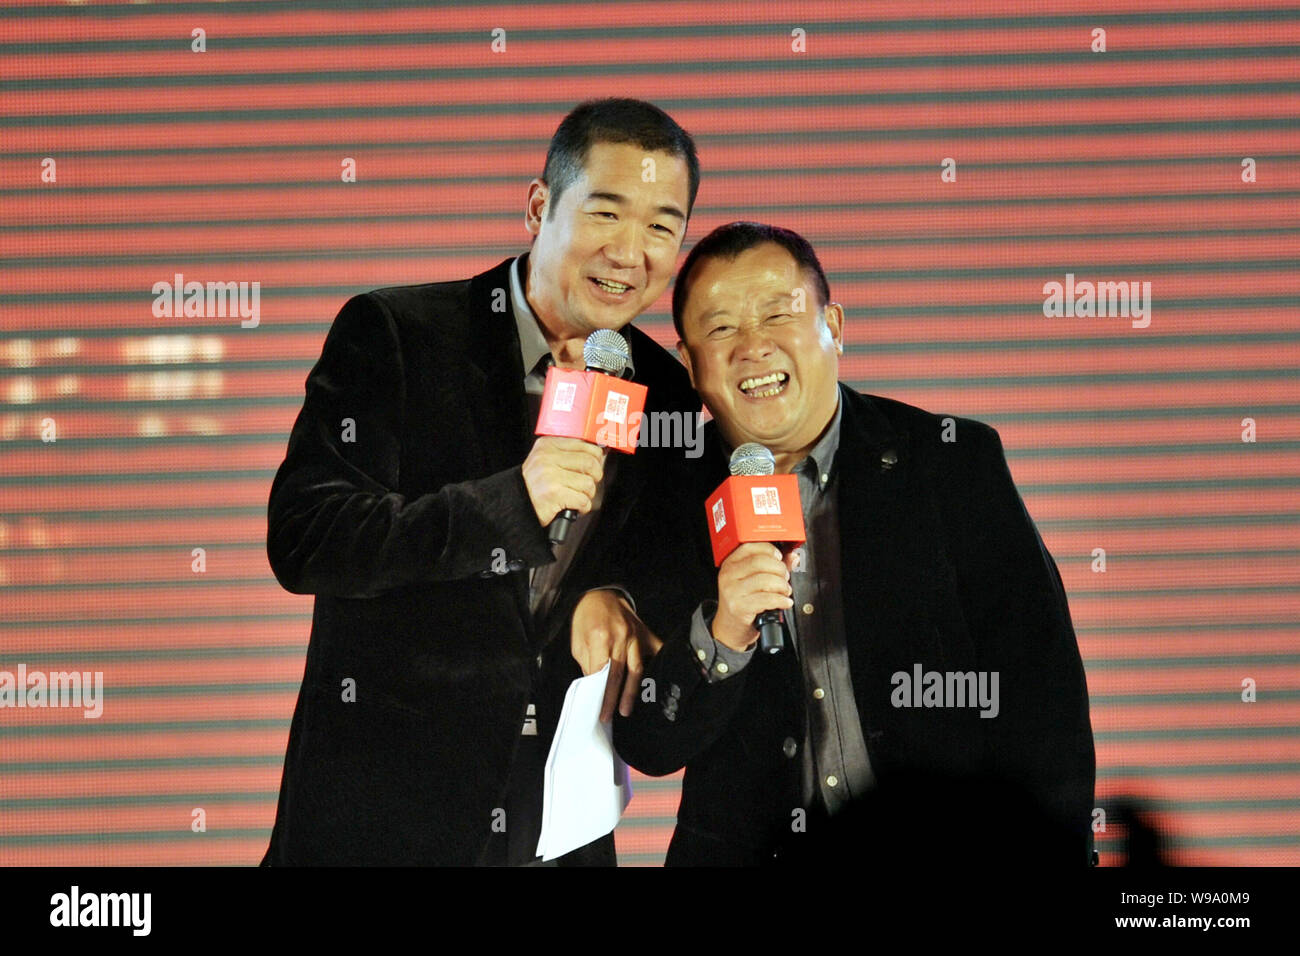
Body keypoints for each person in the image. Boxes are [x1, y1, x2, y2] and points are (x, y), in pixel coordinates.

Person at [261, 99, 700, 866]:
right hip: (372, 832)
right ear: (539, 206)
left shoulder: (665, 395)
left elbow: (670, 575)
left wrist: (624, 599)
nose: (631, 252)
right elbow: (307, 539)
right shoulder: (399, 334)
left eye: (662, 227)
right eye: (606, 213)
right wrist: (509, 504)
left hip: (553, 839)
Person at [612, 222, 1096, 867]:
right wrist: (723, 633)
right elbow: (649, 740)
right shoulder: (660, 501)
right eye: (721, 328)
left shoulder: (949, 464)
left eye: (779, 314)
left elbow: (1044, 695)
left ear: (833, 326)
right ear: (691, 364)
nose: (753, 347)